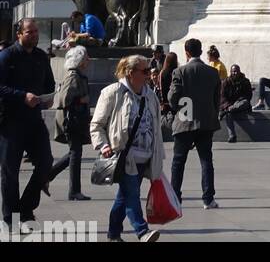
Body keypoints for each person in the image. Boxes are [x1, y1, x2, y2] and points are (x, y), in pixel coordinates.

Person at [90, 53, 164, 243]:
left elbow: (156, 127)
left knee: (124, 196)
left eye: (149, 70)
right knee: (132, 194)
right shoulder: (112, 93)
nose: (149, 74)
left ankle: (113, 234)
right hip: (125, 155)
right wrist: (103, 144)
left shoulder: (150, 95)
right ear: (131, 73)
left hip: (146, 155)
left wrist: (158, 154)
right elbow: (97, 124)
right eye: (145, 71)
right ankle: (142, 231)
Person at [0, 17, 56, 229]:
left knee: (46, 162)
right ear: (19, 34)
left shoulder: (42, 57)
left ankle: (26, 208)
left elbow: (49, 84)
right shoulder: (7, 56)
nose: (34, 35)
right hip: (10, 122)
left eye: (35, 32)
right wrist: (22, 96)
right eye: (29, 32)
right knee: (10, 171)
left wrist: (49, 96)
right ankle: (11, 218)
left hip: (34, 121)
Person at [168, 38, 222, 210]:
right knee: (206, 160)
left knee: (178, 161)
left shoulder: (180, 71)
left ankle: (175, 196)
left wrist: (179, 109)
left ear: (187, 52)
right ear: (200, 51)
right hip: (206, 122)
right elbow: (216, 99)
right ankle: (208, 198)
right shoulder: (212, 72)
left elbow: (173, 97)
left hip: (185, 118)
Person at [50, 45, 91, 201]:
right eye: (86, 57)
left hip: (77, 119)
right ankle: (74, 190)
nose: (89, 60)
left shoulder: (78, 75)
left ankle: (48, 176)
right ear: (80, 61)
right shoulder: (73, 76)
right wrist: (82, 99)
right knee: (75, 153)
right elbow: (63, 99)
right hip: (72, 120)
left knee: (74, 153)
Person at [220, 64, 253, 142]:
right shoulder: (226, 82)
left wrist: (239, 101)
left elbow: (248, 95)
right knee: (229, 114)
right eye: (233, 71)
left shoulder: (245, 81)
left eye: (237, 71)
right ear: (230, 72)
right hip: (230, 105)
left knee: (245, 102)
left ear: (239, 71)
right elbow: (222, 97)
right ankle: (232, 136)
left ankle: (227, 110)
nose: (235, 73)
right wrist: (229, 105)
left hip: (242, 104)